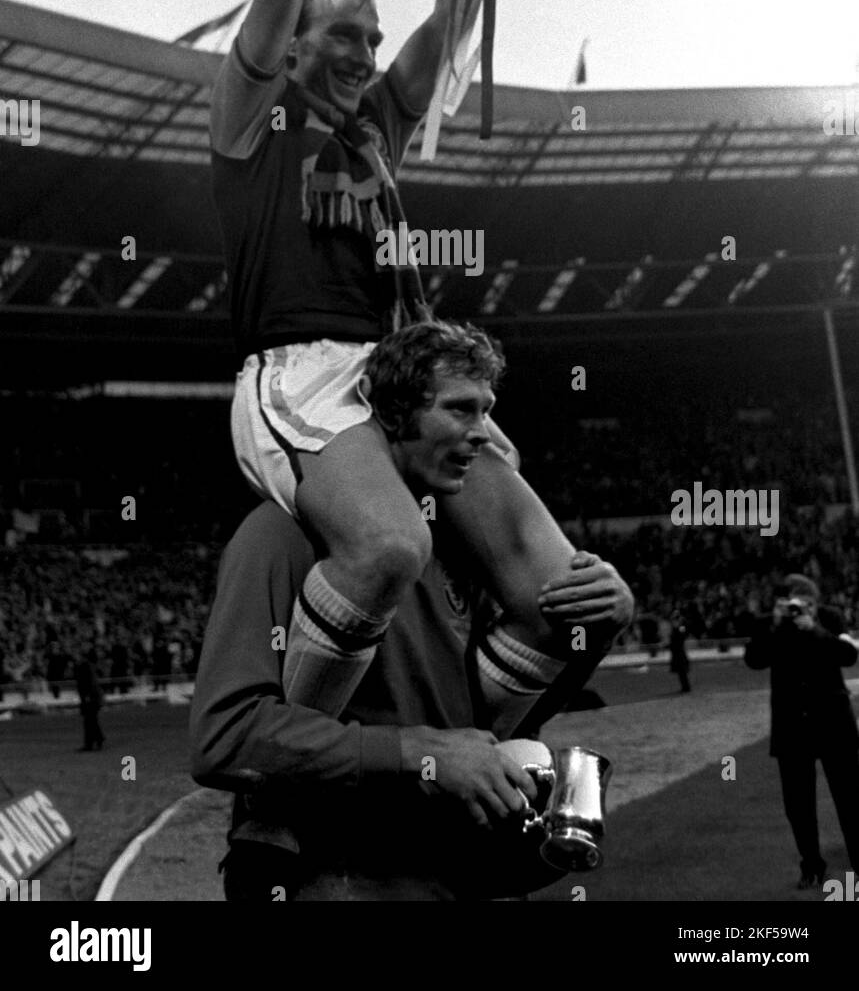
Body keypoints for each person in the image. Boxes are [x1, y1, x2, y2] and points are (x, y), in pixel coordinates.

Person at [209, 0, 624, 722]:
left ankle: (449, 748)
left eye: (371, 37)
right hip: (305, 369)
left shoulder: (378, 129)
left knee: (570, 603)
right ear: (292, 43)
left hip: (409, 379)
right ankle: (301, 768)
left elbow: (460, 9)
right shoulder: (250, 121)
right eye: (342, 34)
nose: (362, 54)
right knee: (391, 547)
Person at [190, 321, 633, 901]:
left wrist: (595, 629)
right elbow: (225, 737)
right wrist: (421, 754)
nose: (485, 438)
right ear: (393, 416)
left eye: (487, 411)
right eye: (461, 411)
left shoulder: (468, 555)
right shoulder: (280, 535)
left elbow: (495, 721)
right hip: (332, 878)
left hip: (455, 875)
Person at [745, 572, 859, 889]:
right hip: (792, 727)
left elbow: (849, 655)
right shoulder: (769, 623)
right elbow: (754, 660)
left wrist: (816, 630)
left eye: (803, 601)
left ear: (814, 601)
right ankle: (811, 866)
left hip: (834, 723)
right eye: (790, 601)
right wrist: (775, 625)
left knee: (850, 798)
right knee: (798, 805)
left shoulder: (829, 618)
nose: (797, 607)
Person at [74, 647, 105, 752]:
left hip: (90, 697)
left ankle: (90, 743)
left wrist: (87, 696)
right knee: (92, 720)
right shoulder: (88, 666)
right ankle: (98, 739)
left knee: (89, 721)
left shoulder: (84, 666)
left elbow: (88, 683)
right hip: (92, 697)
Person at [668, 610, 691, 694]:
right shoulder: (678, 627)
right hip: (677, 652)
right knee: (681, 672)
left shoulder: (681, 627)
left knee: (682, 671)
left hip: (679, 652)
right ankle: (685, 687)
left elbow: (681, 636)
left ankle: (686, 687)